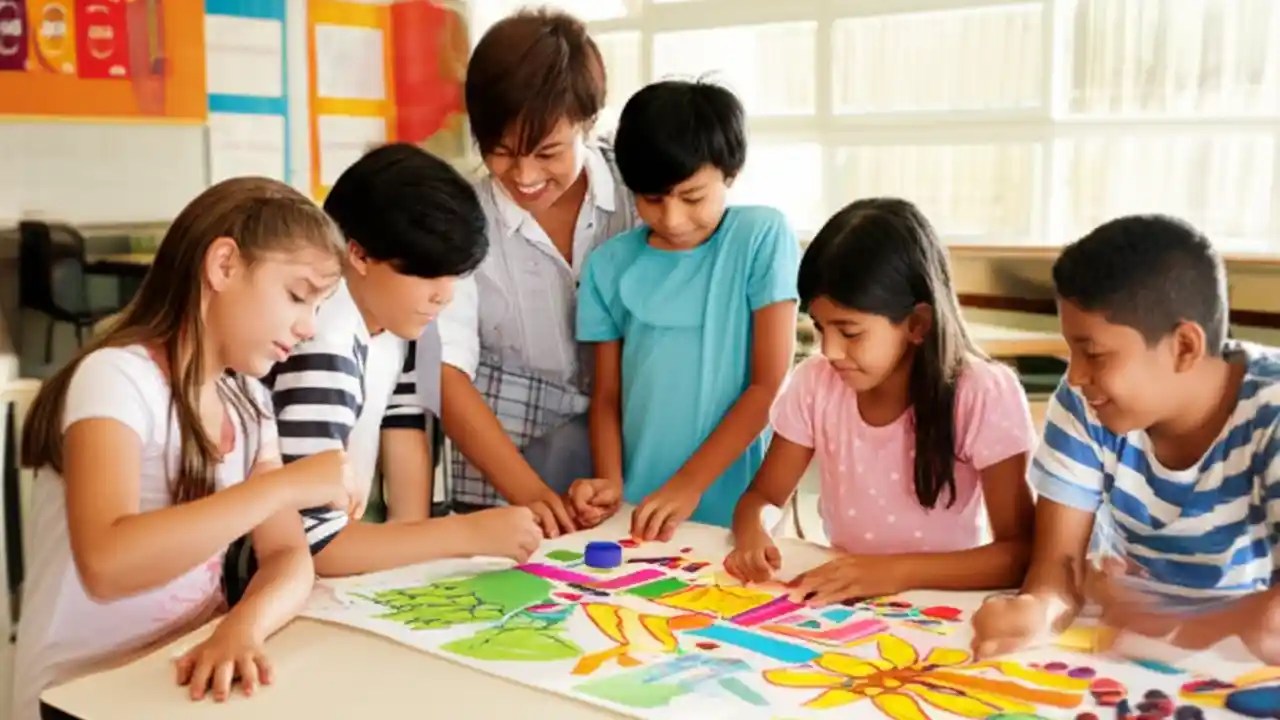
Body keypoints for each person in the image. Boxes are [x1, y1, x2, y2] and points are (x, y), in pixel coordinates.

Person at [13, 178, 357, 720]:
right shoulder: (118, 378)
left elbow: (289, 557)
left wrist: (242, 626)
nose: (308, 327)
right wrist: (284, 485)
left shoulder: (248, 401)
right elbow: (108, 562)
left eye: (318, 306)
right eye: (297, 296)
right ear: (223, 266)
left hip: (180, 668)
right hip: (78, 692)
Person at [227, 143, 542, 595]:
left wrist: (415, 546)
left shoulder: (396, 320)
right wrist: (464, 536)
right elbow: (310, 544)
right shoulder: (324, 342)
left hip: (339, 559)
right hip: (270, 579)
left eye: (454, 275)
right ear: (358, 255)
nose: (445, 296)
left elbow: (404, 428)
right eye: (427, 273)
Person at [970, 215, 1280, 664]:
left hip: (1239, 662)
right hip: (1122, 641)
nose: (1074, 376)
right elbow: (1059, 567)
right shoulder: (1087, 402)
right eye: (1071, 351)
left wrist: (1165, 630)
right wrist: (1036, 611)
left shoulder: (1271, 410)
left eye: (1093, 353)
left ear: (1184, 347)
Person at [724, 198, 1038, 606]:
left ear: (917, 325)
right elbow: (762, 498)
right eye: (820, 327)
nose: (830, 350)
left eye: (850, 332)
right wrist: (754, 532)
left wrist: (892, 572)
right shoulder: (815, 384)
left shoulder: (980, 393)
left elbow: (1020, 552)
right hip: (848, 603)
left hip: (940, 606)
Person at [435, 8, 639, 538]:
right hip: (505, 469)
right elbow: (446, 373)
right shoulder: (461, 218)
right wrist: (531, 495)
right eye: (500, 153)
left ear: (588, 123)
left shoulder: (641, 190)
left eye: (547, 151)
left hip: (633, 457)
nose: (523, 176)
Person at [569, 79, 800, 539]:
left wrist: (689, 485)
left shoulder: (760, 238)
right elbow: (608, 397)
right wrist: (611, 484)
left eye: (692, 197)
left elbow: (768, 384)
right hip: (640, 508)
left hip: (742, 510)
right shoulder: (609, 265)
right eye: (651, 199)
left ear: (729, 174)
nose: (672, 219)